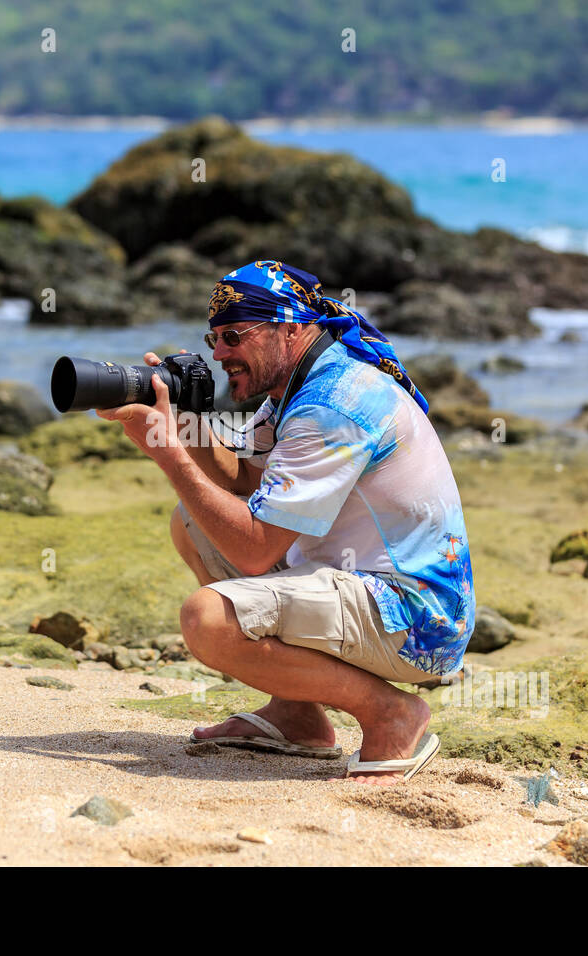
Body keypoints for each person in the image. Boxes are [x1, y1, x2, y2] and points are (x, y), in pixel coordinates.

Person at [97, 260, 475, 785]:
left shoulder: (332, 404)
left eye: (234, 336)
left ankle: (393, 714)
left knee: (209, 621)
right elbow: (244, 480)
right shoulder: (300, 384)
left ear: (289, 327)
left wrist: (168, 456)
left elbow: (254, 548)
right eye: (214, 339)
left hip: (416, 621)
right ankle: (297, 714)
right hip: (366, 590)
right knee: (195, 525)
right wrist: (181, 422)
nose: (220, 353)